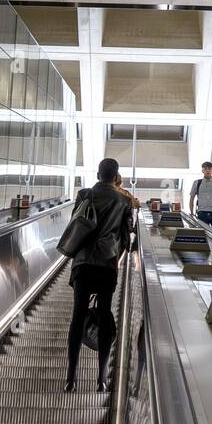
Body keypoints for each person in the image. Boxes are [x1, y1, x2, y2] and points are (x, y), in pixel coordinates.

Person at [66, 157, 133, 395]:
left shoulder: (84, 194)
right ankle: (102, 378)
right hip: (107, 264)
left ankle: (71, 378)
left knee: (78, 315)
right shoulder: (124, 200)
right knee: (105, 314)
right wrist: (116, 258)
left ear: (97, 174)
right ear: (116, 176)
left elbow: (75, 223)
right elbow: (126, 238)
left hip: (83, 262)